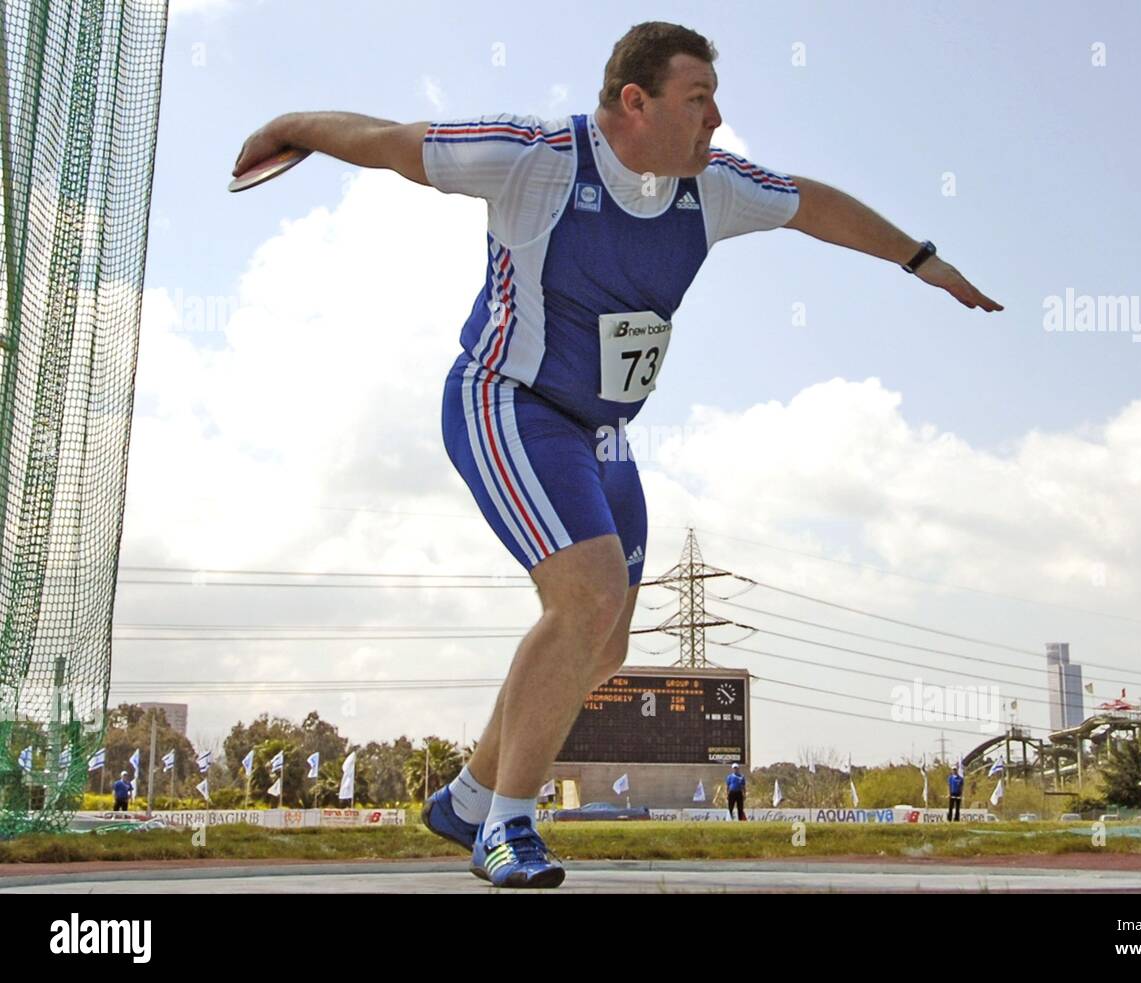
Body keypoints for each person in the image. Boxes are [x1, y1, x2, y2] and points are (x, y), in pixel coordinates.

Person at [232, 22, 1001, 890]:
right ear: (634, 102)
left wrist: (921, 260)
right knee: (587, 592)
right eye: (698, 98)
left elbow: (813, 204)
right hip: (508, 403)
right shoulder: (532, 157)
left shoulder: (711, 189)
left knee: (605, 642)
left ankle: (468, 797)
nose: (717, 118)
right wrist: (295, 123)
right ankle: (509, 826)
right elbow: (391, 144)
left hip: (605, 437)